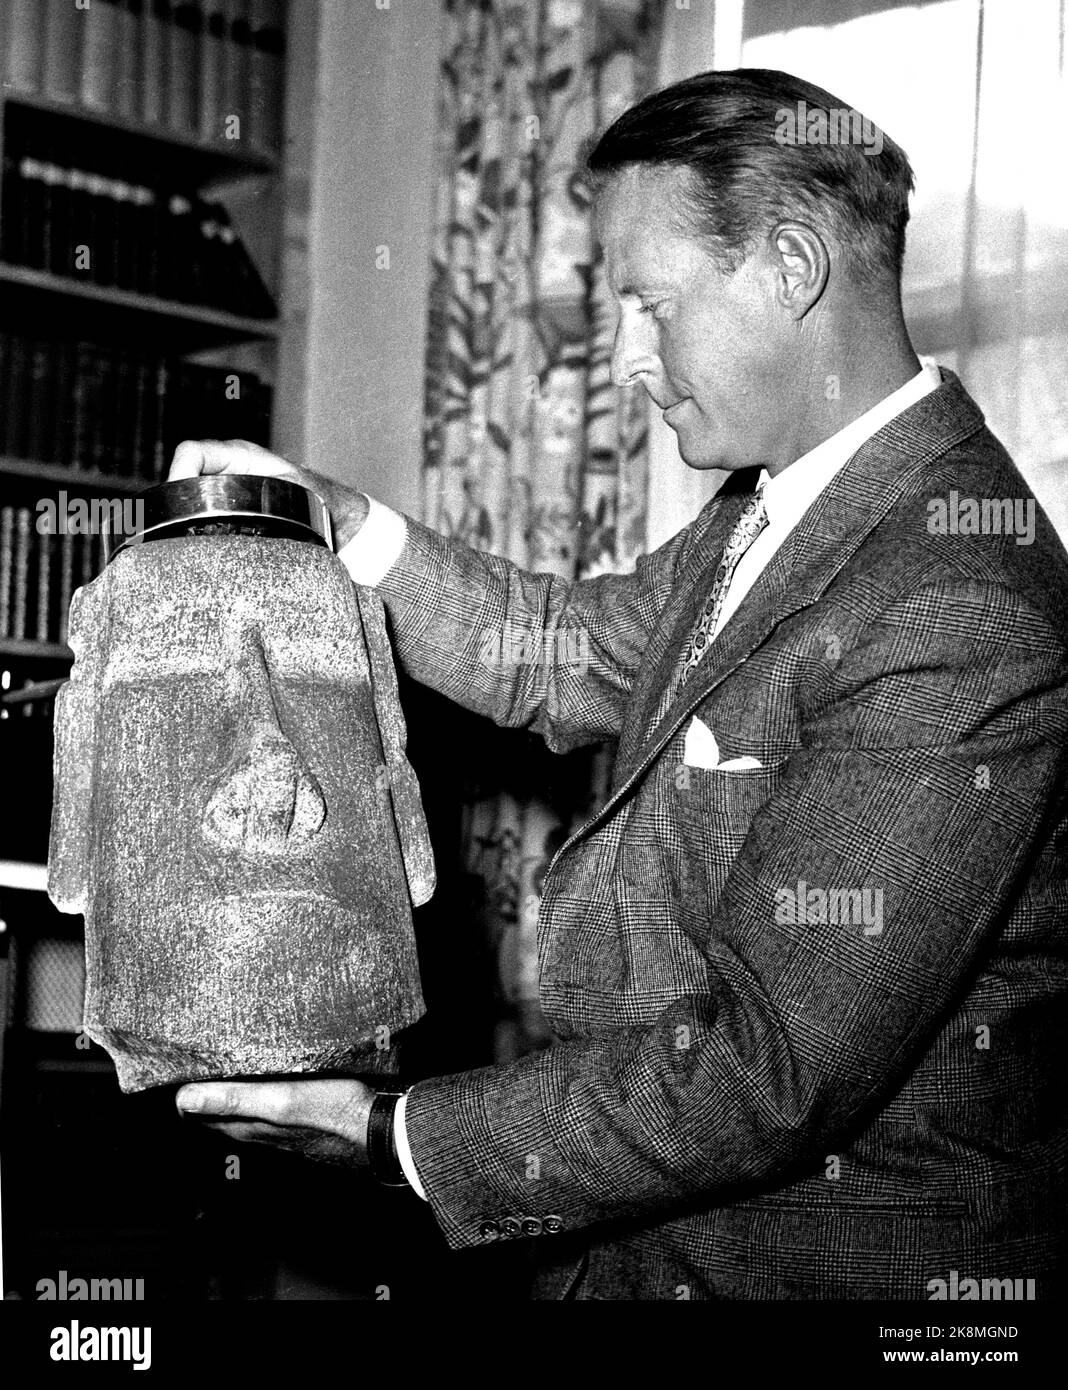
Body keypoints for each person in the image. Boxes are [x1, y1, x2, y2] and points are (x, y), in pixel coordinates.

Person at [172, 68, 1068, 1300]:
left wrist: (388, 1132)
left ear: (793, 267)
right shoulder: (774, 510)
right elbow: (560, 648)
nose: (631, 363)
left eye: (650, 305)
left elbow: (768, 1067)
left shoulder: (955, 604)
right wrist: (338, 523)